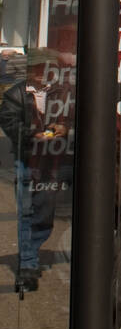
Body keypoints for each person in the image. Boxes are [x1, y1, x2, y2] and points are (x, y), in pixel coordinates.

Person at [0, 50, 69, 292]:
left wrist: (63, 127)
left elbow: (72, 116)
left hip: (51, 160)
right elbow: (8, 122)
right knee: (26, 210)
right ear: (29, 70)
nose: (41, 72)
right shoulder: (16, 93)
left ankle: (33, 249)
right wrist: (31, 134)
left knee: (45, 209)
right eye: (37, 68)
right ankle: (28, 262)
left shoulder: (61, 91)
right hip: (27, 159)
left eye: (44, 67)